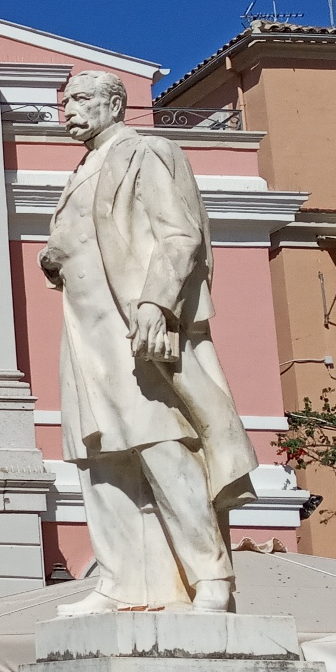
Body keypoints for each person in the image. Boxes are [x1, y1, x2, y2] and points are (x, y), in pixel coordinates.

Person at [39, 68, 258, 613]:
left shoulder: (147, 152)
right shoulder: (81, 168)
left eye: (81, 99)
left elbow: (179, 235)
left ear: (115, 104)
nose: (68, 110)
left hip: (132, 326)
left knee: (162, 445)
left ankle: (210, 576)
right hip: (84, 334)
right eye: (66, 101)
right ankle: (118, 583)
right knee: (101, 458)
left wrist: (157, 304)